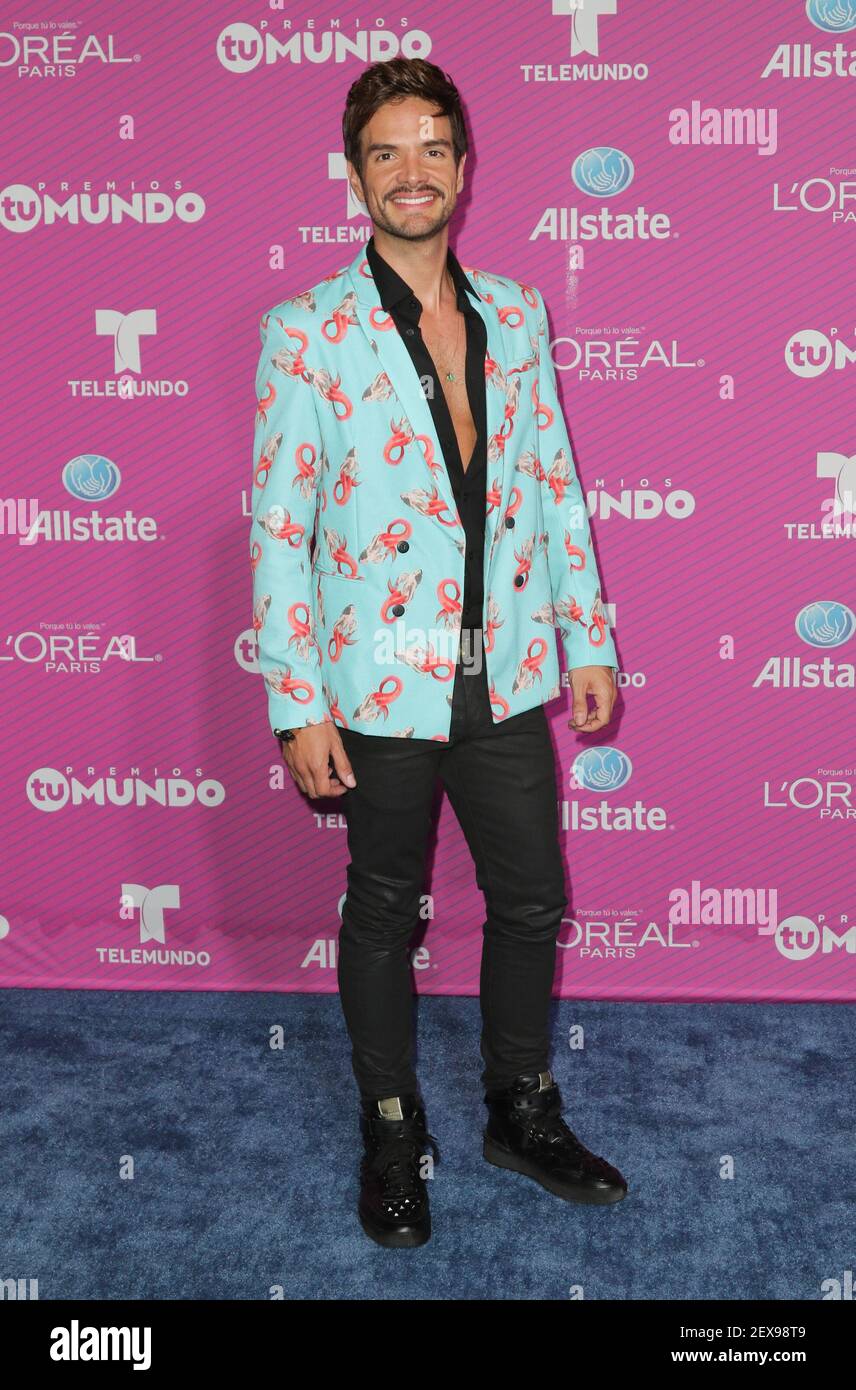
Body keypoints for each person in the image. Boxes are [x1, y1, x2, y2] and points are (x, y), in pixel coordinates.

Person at [250, 56, 628, 1248]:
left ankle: (518, 1108)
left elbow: (554, 485)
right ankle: (391, 1123)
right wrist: (297, 702)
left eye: (431, 149)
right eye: (385, 152)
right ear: (354, 172)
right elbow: (280, 531)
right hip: (376, 676)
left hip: (506, 672)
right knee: (384, 906)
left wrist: (588, 633)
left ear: (464, 170)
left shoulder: (517, 312)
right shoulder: (306, 330)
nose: (411, 172)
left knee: (530, 898)